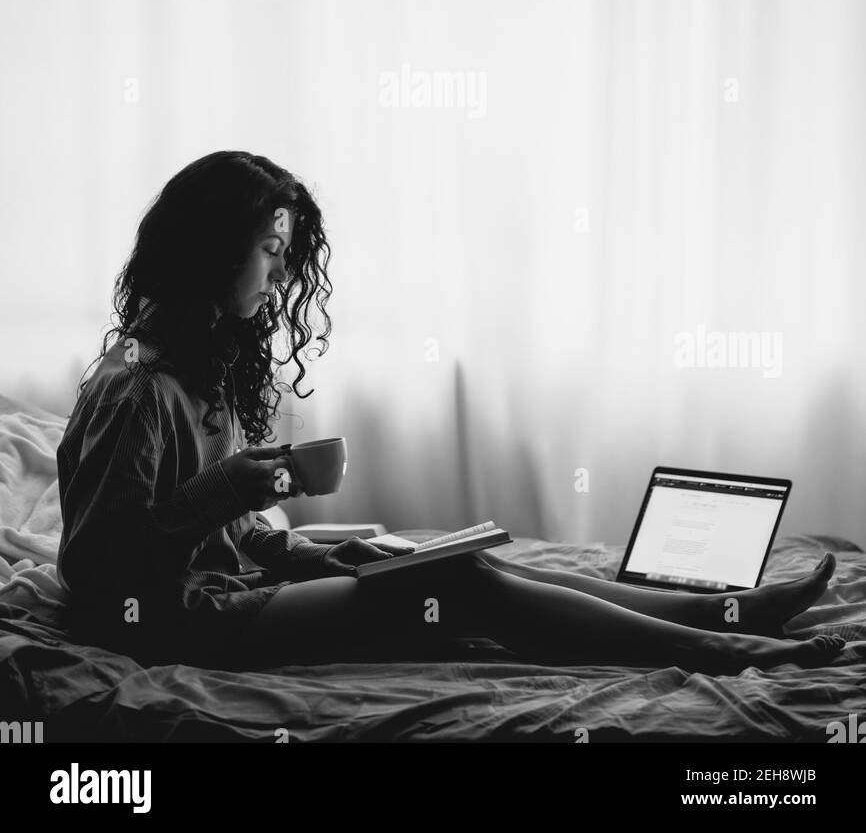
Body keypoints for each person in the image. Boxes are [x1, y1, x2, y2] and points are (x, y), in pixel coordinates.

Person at [56, 151, 846, 675]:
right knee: (460, 582)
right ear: (211, 251)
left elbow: (227, 540)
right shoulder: (136, 391)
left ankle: (724, 609)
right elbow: (98, 571)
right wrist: (229, 488)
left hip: (218, 598)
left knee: (450, 561)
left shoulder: (205, 369)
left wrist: (308, 556)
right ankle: (718, 647)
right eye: (270, 249)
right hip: (169, 625)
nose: (281, 273)